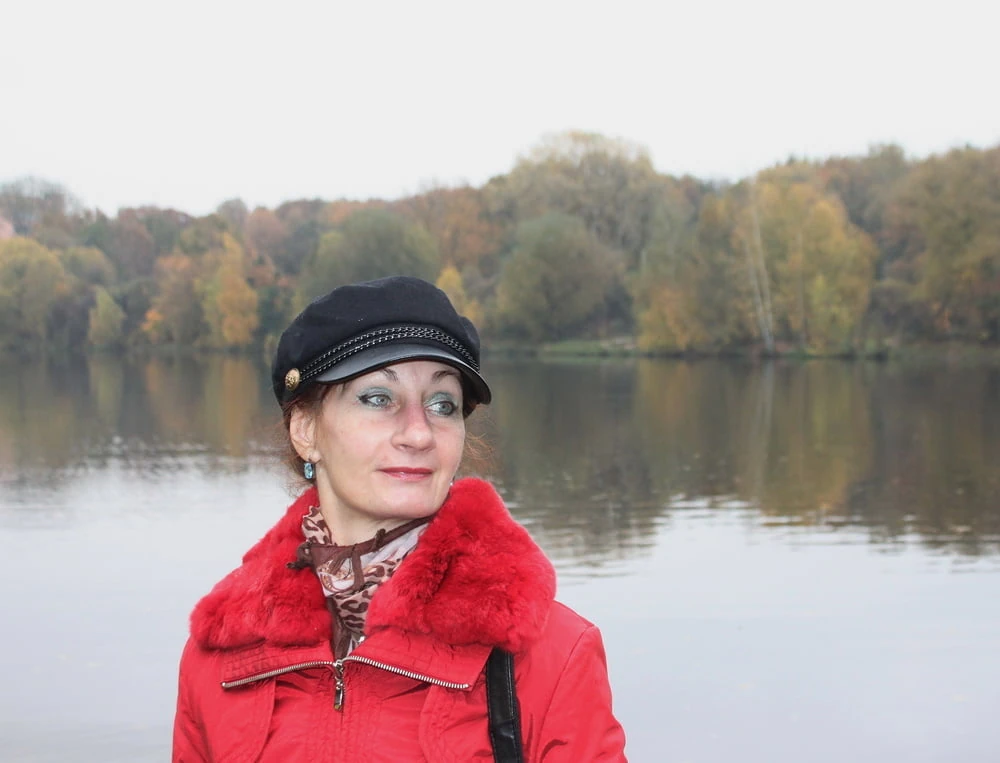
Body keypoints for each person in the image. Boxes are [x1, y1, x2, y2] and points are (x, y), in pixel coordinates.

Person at [172, 276, 627, 762]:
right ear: (305, 430)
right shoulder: (221, 656)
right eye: (377, 398)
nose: (418, 432)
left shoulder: (550, 656)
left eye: (442, 405)